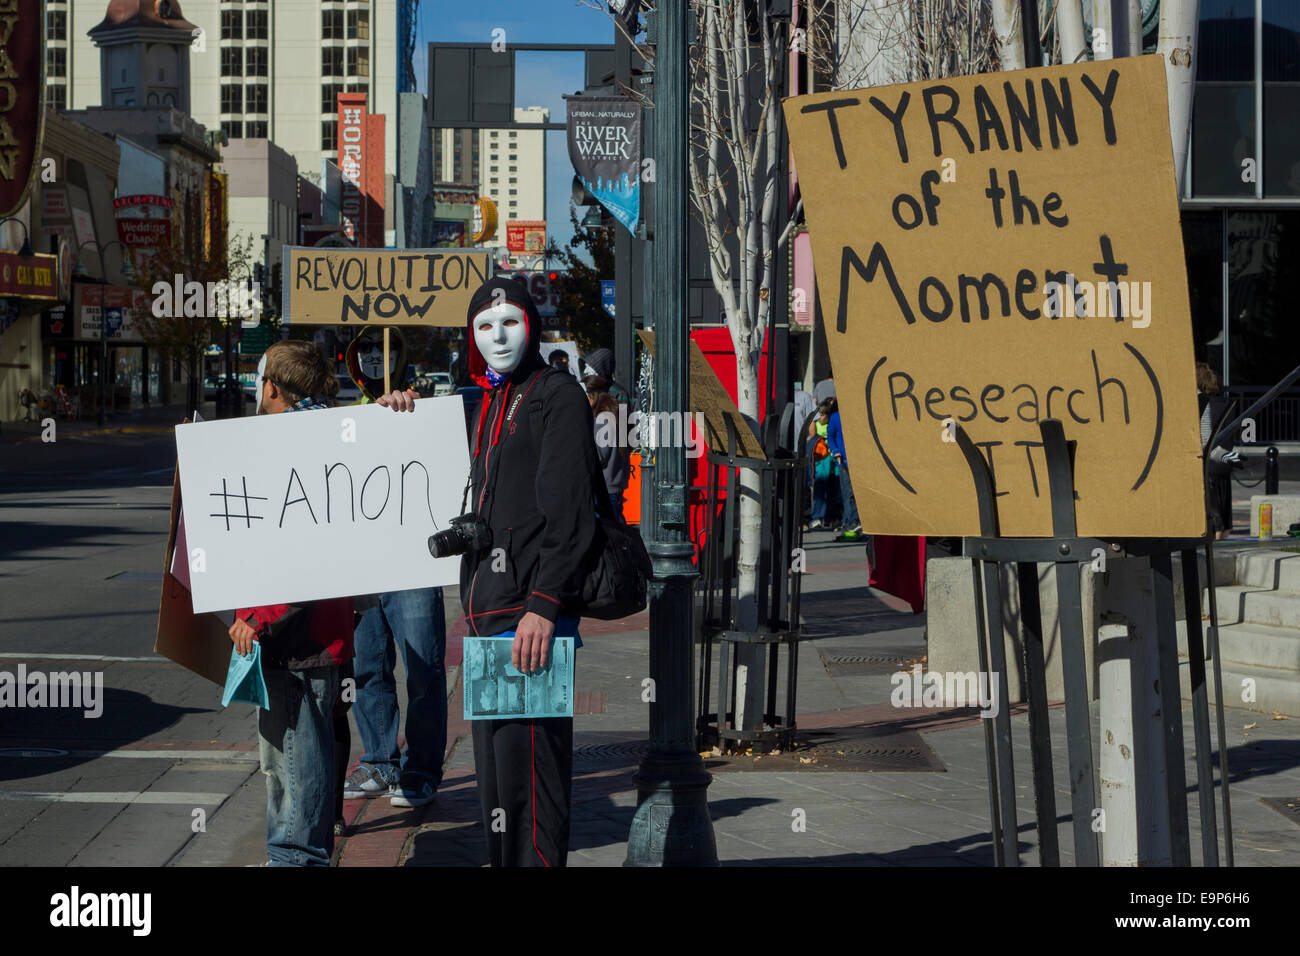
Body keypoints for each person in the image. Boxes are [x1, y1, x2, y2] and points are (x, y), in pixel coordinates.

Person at [377, 276, 600, 867]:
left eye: (510, 322)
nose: (498, 336)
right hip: (488, 623)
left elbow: (570, 511)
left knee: (534, 792)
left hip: (529, 624)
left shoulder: (557, 395)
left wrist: (545, 604)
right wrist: (397, 411)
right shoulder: (493, 399)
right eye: (484, 326)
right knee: (499, 791)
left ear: (531, 325)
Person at [229, 340, 354, 867]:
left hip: (297, 639)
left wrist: (257, 618)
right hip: (307, 636)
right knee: (293, 765)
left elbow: (305, 560)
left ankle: (295, 860)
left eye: (260, 381)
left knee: (295, 769)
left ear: (272, 387)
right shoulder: (323, 436)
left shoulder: (301, 448)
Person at [343, 586, 447, 807]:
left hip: (413, 567)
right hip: (361, 564)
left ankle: (422, 770)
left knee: (423, 672)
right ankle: (379, 763)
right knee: (364, 669)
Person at [1198, 362, 1236, 540]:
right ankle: (1224, 529)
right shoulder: (1226, 404)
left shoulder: (1202, 406)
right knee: (1223, 500)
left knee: (1212, 504)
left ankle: (1217, 531)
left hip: (1209, 463)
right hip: (1226, 461)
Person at [585, 375, 630, 518]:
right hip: (614, 482)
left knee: (612, 530)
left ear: (593, 395)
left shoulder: (603, 418)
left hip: (605, 484)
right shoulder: (611, 412)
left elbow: (600, 455)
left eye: (585, 394)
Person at [827, 402, 862, 541]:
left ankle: (851, 522)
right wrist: (836, 452)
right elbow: (831, 436)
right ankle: (851, 523)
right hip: (844, 461)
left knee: (855, 493)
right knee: (848, 493)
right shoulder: (836, 417)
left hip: (858, 460)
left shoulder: (857, 415)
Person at [806, 397, 839, 530]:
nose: (820, 417)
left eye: (823, 415)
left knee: (833, 492)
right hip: (820, 463)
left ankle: (831, 518)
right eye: (819, 415)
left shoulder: (831, 424)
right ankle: (817, 517)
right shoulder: (816, 425)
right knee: (819, 491)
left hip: (832, 462)